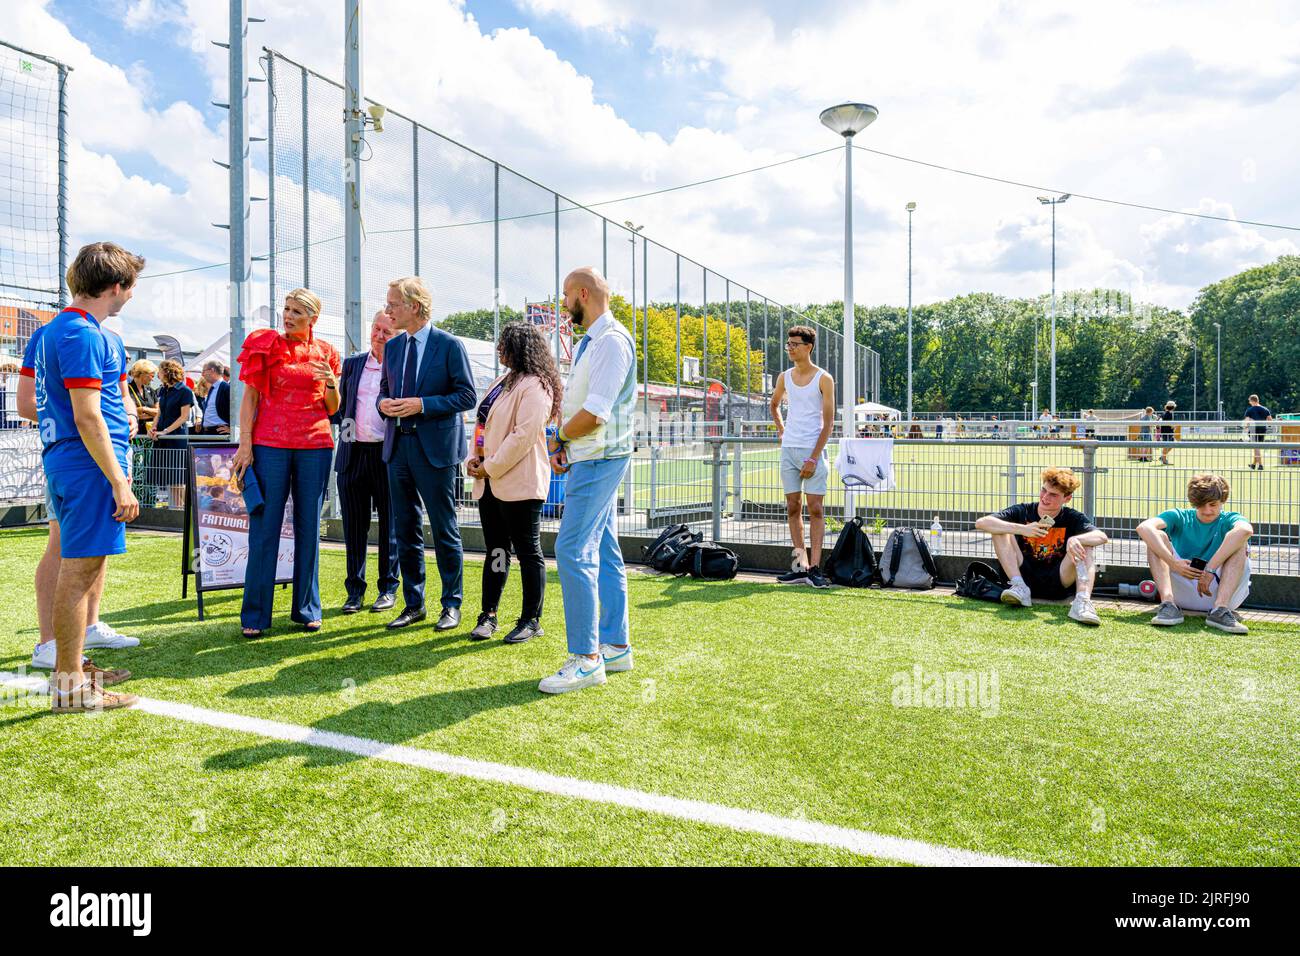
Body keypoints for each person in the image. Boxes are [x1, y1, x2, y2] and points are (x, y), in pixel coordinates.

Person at [34, 242, 145, 713]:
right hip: (87, 467)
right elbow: (88, 416)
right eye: (130, 288)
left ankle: (72, 669)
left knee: (78, 568)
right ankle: (70, 683)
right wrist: (119, 479)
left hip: (70, 463)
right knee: (79, 572)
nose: (130, 297)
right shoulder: (82, 334)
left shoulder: (56, 330)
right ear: (115, 287)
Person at [19, 313, 140, 685]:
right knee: (65, 552)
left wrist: (129, 416)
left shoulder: (106, 337)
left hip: (101, 454)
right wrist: (82, 420)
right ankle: (53, 651)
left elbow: (120, 398)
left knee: (90, 554)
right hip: (81, 457)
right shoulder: (59, 335)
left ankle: (84, 632)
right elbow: (31, 406)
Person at [540, 267, 637, 693]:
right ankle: (615, 646)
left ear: (584, 293)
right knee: (603, 548)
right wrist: (565, 444)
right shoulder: (593, 341)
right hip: (590, 455)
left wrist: (558, 438)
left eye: (565, 296)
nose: (563, 304)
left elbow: (596, 412)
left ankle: (587, 657)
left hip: (600, 457)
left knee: (571, 548)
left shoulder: (611, 342)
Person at [231, 288, 341, 638]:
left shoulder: (327, 353)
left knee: (309, 528)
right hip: (269, 445)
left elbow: (333, 408)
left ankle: (307, 608)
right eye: (286, 309)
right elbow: (249, 399)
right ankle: (255, 615)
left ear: (313, 318)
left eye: (296, 311)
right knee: (264, 528)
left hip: (316, 445)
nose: (288, 315)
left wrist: (331, 382)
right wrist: (245, 446)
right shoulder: (265, 344)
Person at [378, 276, 477, 633]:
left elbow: (467, 396)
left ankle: (451, 604)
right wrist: (384, 405)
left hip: (436, 452)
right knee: (405, 530)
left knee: (444, 529)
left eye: (393, 304)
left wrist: (422, 404)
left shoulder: (448, 345)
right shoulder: (392, 348)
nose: (387, 310)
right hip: (398, 450)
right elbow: (384, 392)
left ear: (414, 307)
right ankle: (413, 604)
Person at [466, 322, 561, 644]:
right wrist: (474, 457)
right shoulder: (502, 381)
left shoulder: (537, 386)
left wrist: (489, 466)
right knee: (496, 549)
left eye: (503, 344)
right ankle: (488, 615)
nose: (498, 350)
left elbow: (523, 435)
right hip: (489, 481)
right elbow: (482, 422)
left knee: (528, 551)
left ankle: (531, 619)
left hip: (519, 482)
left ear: (520, 348)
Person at [973, 466, 1109, 625]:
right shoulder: (1023, 511)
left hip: (1059, 580)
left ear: (1067, 498)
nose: (1045, 497)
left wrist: (1075, 540)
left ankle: (1082, 602)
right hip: (1023, 578)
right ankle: (1019, 586)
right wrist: (1023, 529)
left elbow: (1102, 536)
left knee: (1085, 544)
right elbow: (981, 523)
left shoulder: (1072, 517)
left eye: (1053, 494)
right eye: (1043, 490)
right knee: (1000, 530)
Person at [333, 310, 399, 614]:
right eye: (376, 329)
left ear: (398, 335)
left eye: (387, 331)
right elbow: (338, 409)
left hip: (387, 456)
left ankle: (388, 588)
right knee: (354, 528)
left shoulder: (400, 365)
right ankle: (355, 591)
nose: (380, 335)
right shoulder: (352, 364)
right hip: (353, 453)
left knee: (390, 528)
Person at [1137, 473, 1252, 633]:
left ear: (1222, 501)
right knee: (1156, 537)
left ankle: (1220, 610)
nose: (1207, 510)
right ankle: (1168, 605)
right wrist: (1173, 564)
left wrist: (1210, 569)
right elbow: (1144, 528)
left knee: (1240, 543)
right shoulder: (1180, 516)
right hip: (1181, 587)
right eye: (1201, 505)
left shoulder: (1229, 519)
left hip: (1218, 590)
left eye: (1212, 504)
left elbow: (1246, 530)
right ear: (1194, 503)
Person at [768, 325, 834, 588]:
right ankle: (800, 566)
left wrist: (813, 458)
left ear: (808, 347)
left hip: (813, 452)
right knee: (793, 507)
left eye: (795, 344)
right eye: (789, 344)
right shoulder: (784, 377)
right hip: (789, 451)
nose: (790, 348)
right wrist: (782, 431)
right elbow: (774, 404)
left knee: (815, 509)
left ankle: (815, 568)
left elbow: (828, 424)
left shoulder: (823, 379)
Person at [152, 358, 193, 510]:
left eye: (160, 371)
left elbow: (184, 417)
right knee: (169, 476)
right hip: (162, 436)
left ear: (168, 372)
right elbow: (160, 411)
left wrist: (166, 431)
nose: (157, 374)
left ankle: (183, 509)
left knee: (178, 476)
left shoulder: (185, 391)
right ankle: (174, 508)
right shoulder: (163, 389)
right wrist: (154, 428)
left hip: (176, 437)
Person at [199, 359, 231, 435]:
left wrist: (231, 428)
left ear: (212, 370)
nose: (202, 374)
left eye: (204, 371)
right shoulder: (214, 387)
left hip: (219, 432)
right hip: (209, 432)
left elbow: (237, 410)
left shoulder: (226, 387)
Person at [1243, 394, 1273, 470]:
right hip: (1263, 429)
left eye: (1249, 401)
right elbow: (1270, 420)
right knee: (1257, 447)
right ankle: (1253, 465)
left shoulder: (1249, 410)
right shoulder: (1265, 409)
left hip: (1253, 429)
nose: (1249, 402)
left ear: (1252, 401)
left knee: (1256, 448)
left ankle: (1260, 465)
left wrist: (1245, 427)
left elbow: (1247, 422)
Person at [1159, 400, 1176, 465]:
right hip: (1167, 432)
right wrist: (1173, 426)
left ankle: (1163, 456)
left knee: (1171, 445)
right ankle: (1164, 459)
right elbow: (1169, 423)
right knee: (1167, 446)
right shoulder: (1169, 414)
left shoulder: (1165, 413)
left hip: (1166, 431)